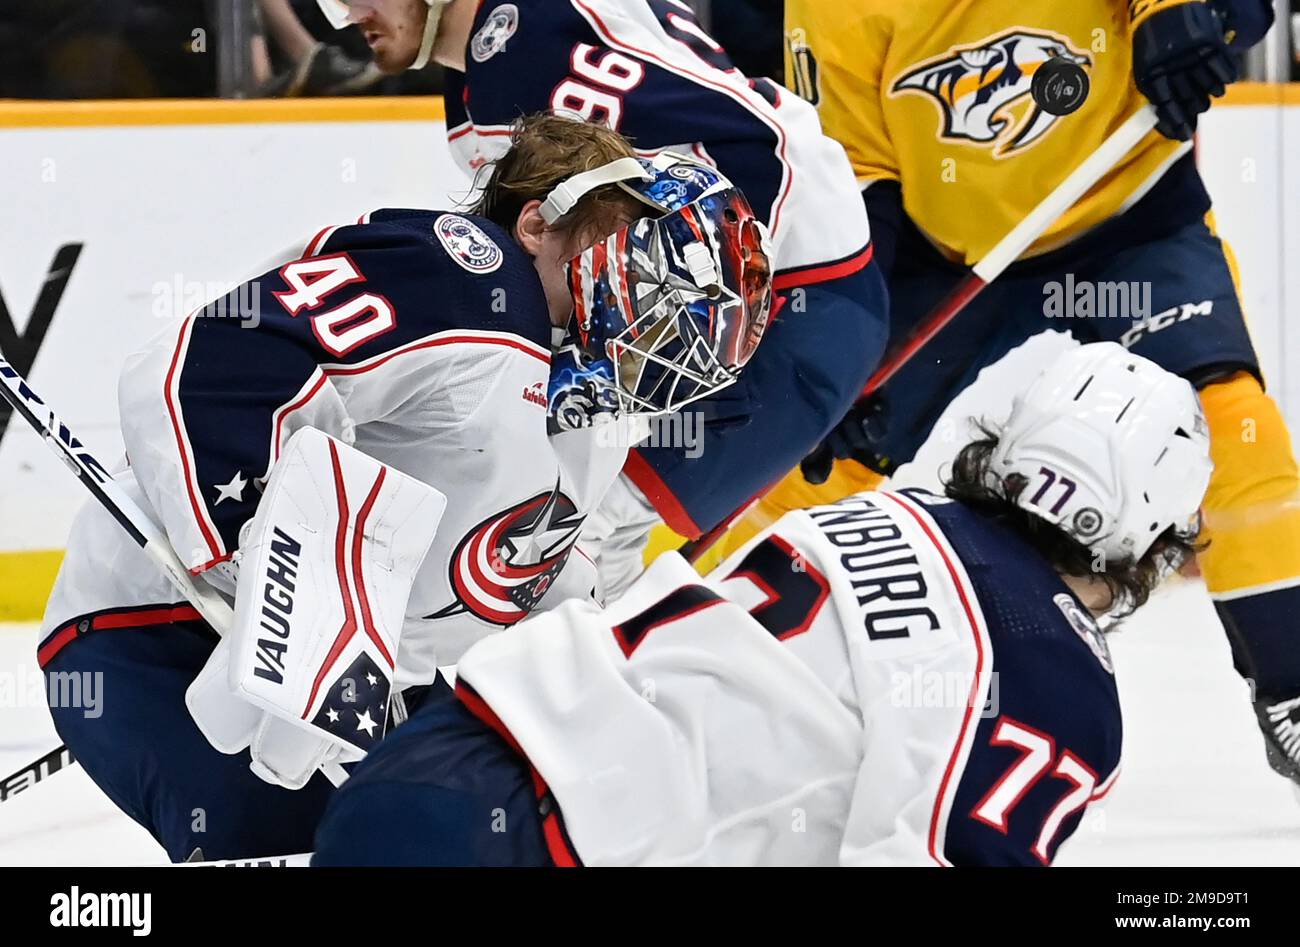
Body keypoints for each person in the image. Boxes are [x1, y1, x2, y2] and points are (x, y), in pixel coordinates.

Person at [38, 113, 773, 862]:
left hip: (347, 710)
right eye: (628, 246)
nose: (653, 295)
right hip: (160, 631)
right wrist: (276, 590)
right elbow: (204, 370)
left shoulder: (593, 406)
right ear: (535, 225)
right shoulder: (466, 277)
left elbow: (529, 578)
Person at [311, 343, 1212, 866]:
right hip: (547, 843)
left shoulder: (881, 511)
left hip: (432, 755)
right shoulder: (1059, 685)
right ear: (1148, 543)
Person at [746, 0, 1300, 785]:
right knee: (815, 453)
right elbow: (854, 178)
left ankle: (1294, 685)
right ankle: (713, 638)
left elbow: (1236, 13)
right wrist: (851, 331)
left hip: (1127, 215)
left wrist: (1196, 20)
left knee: (1228, 423)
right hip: (943, 248)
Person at [313, 0, 890, 599]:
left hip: (787, 314)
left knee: (578, 532)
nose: (347, 15)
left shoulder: (527, 37)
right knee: (551, 519)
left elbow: (764, 141)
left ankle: (566, 681)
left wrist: (733, 306)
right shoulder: (479, 72)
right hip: (718, 327)